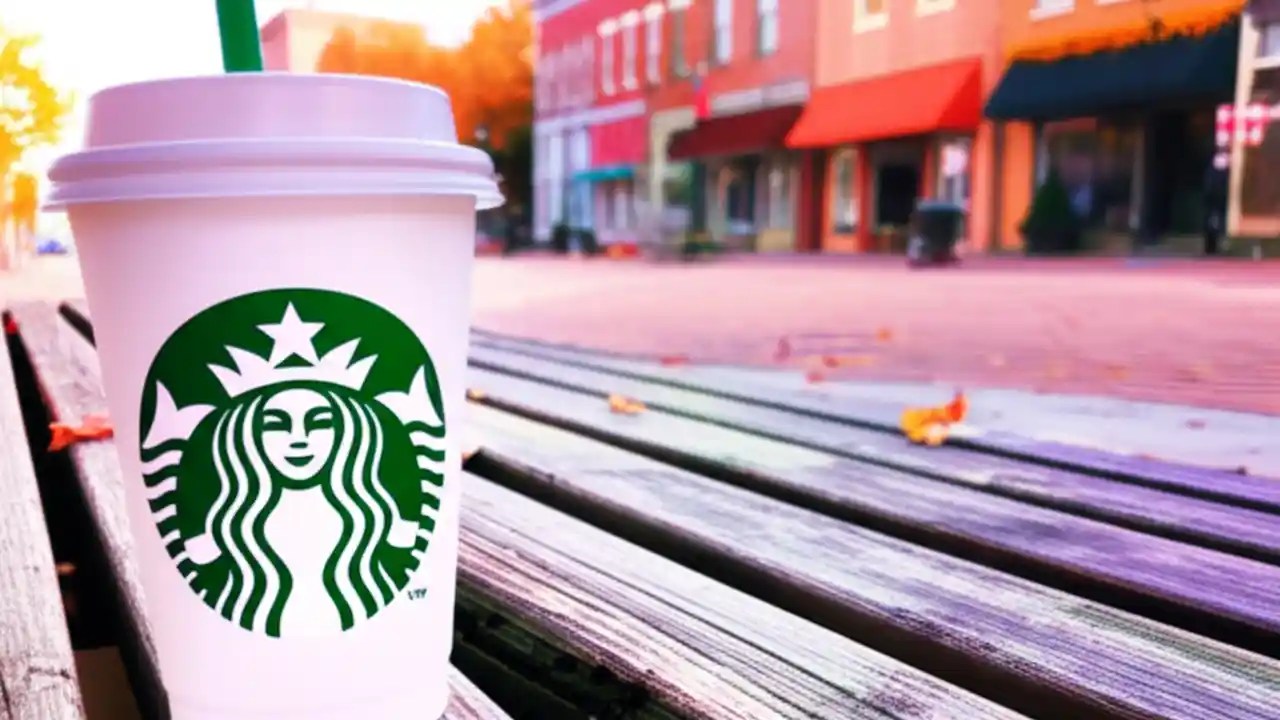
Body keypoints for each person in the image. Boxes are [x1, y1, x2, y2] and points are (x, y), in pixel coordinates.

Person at [1202, 153, 1229, 256]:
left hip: (1219, 202)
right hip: (1214, 202)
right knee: (1212, 225)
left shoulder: (1219, 170)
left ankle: (1214, 247)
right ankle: (1210, 247)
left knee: (1217, 225)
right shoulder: (1213, 171)